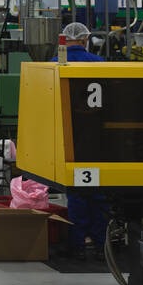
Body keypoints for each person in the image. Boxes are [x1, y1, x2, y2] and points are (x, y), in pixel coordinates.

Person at [52, 22, 107, 257]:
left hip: (67, 136)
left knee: (75, 190)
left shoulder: (54, 65)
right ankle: (100, 242)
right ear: (85, 40)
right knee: (99, 191)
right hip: (100, 137)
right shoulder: (102, 65)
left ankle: (77, 243)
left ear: (65, 39)